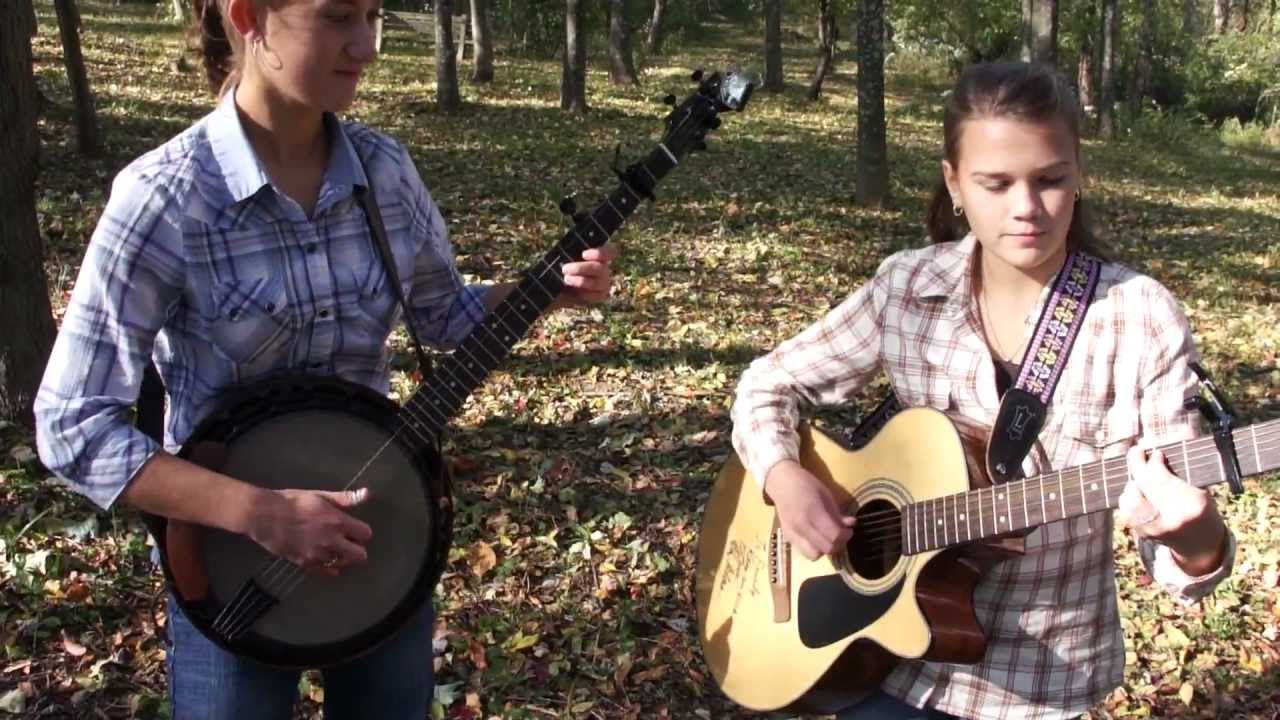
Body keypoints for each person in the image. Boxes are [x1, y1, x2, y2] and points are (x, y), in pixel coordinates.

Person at [33, 0, 616, 717]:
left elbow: (441, 316)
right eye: (338, 16)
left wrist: (541, 291)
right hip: (229, 569)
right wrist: (254, 512)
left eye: (372, 15)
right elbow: (71, 424)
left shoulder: (384, 172)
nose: (366, 45)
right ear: (249, 17)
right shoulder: (165, 198)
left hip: (380, 534)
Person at [729, 62, 1234, 720]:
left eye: (1050, 180)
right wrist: (784, 476)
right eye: (994, 184)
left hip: (1037, 682)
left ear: (1078, 173)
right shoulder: (907, 288)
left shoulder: (1138, 317)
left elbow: (1173, 548)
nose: (1026, 208)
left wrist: (1196, 538)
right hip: (889, 660)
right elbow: (768, 381)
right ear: (954, 185)